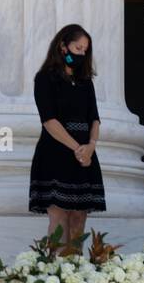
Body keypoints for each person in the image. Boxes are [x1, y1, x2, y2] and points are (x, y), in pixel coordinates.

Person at [29, 24, 105, 253]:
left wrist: (90, 146)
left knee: (79, 219)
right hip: (56, 154)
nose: (81, 54)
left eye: (85, 50)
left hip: (85, 156)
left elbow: (95, 118)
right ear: (63, 47)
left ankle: (75, 272)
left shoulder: (85, 82)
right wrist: (78, 149)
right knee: (59, 219)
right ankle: (57, 274)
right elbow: (49, 120)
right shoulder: (45, 79)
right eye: (77, 48)